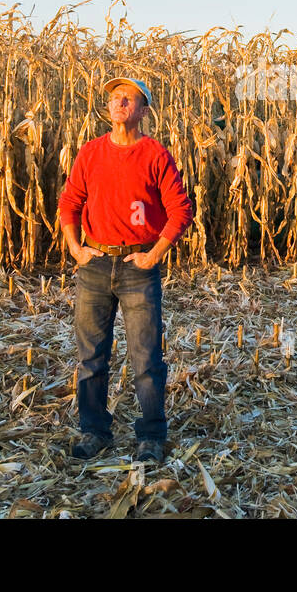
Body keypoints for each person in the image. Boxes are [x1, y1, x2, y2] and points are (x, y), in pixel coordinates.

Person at [58, 77, 194, 463]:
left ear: (143, 111)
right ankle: (94, 432)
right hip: (96, 265)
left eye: (128, 98)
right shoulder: (90, 153)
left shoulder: (154, 154)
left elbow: (181, 210)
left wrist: (154, 254)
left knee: (146, 357)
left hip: (138, 267)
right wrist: (74, 247)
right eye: (114, 97)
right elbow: (69, 202)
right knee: (91, 357)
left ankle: (151, 436)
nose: (118, 102)